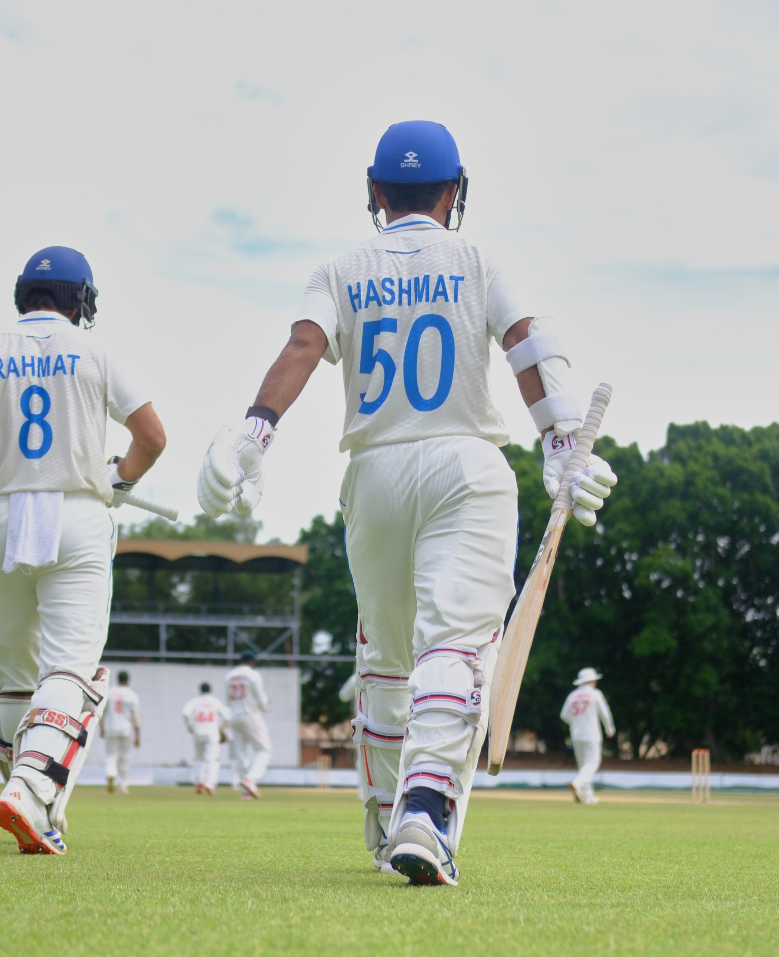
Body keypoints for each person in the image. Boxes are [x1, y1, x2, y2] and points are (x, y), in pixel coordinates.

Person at [195, 121, 618, 885]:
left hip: (374, 472)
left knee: (388, 659)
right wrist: (560, 441)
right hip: (466, 465)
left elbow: (301, 348)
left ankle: (390, 807)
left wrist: (254, 434)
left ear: (375, 192)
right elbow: (528, 342)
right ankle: (425, 813)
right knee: (452, 647)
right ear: (455, 192)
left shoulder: (340, 267)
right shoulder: (481, 257)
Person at [0, 246, 166, 854]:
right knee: (69, 670)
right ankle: (32, 791)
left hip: (2, 514)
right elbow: (153, 437)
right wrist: (119, 479)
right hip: (77, 515)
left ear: (21, 295)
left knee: (10, 676)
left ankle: (30, 798)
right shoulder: (98, 352)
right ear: (81, 299)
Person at [559, 668, 615, 804]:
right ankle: (578, 784)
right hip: (591, 733)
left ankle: (587, 795)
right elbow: (604, 713)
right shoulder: (595, 694)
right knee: (593, 763)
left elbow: (564, 715)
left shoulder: (572, 695)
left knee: (583, 765)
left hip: (576, 734)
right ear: (592, 681)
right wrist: (609, 728)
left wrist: (575, 722)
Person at [225, 650, 272, 799]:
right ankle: (250, 780)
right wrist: (266, 705)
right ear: (252, 662)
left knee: (240, 754)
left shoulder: (229, 676)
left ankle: (246, 792)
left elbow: (227, 700)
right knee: (264, 750)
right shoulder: (253, 674)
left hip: (233, 716)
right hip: (249, 714)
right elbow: (261, 700)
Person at [181, 681, 231, 795]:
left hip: (197, 732)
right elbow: (227, 717)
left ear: (200, 690)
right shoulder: (215, 702)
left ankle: (199, 781)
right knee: (212, 759)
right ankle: (209, 783)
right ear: (210, 690)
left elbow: (185, 713)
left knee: (199, 758)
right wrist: (221, 728)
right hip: (212, 733)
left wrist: (190, 727)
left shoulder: (195, 701)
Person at [104, 671, 141, 794]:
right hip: (126, 729)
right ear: (127, 680)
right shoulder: (131, 695)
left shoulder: (110, 693)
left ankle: (110, 773)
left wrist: (101, 728)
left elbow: (103, 712)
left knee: (111, 755)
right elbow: (135, 716)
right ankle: (122, 785)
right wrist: (137, 735)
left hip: (112, 728)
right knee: (124, 758)